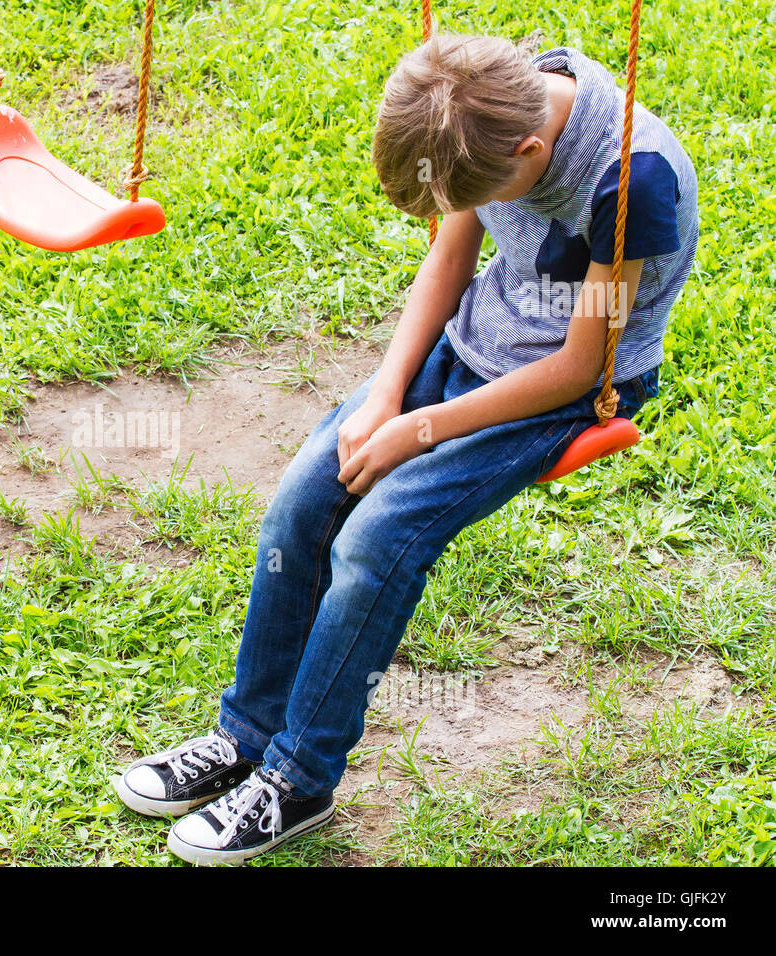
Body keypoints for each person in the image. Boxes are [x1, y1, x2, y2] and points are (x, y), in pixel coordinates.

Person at [113, 34, 698, 865]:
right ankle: (244, 735)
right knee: (301, 507)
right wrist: (389, 392)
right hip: (473, 345)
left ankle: (298, 779)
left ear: (533, 153)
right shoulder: (473, 110)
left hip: (563, 392)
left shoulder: (631, 183)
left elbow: (577, 361)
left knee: (377, 539)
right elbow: (451, 260)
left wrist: (416, 431)